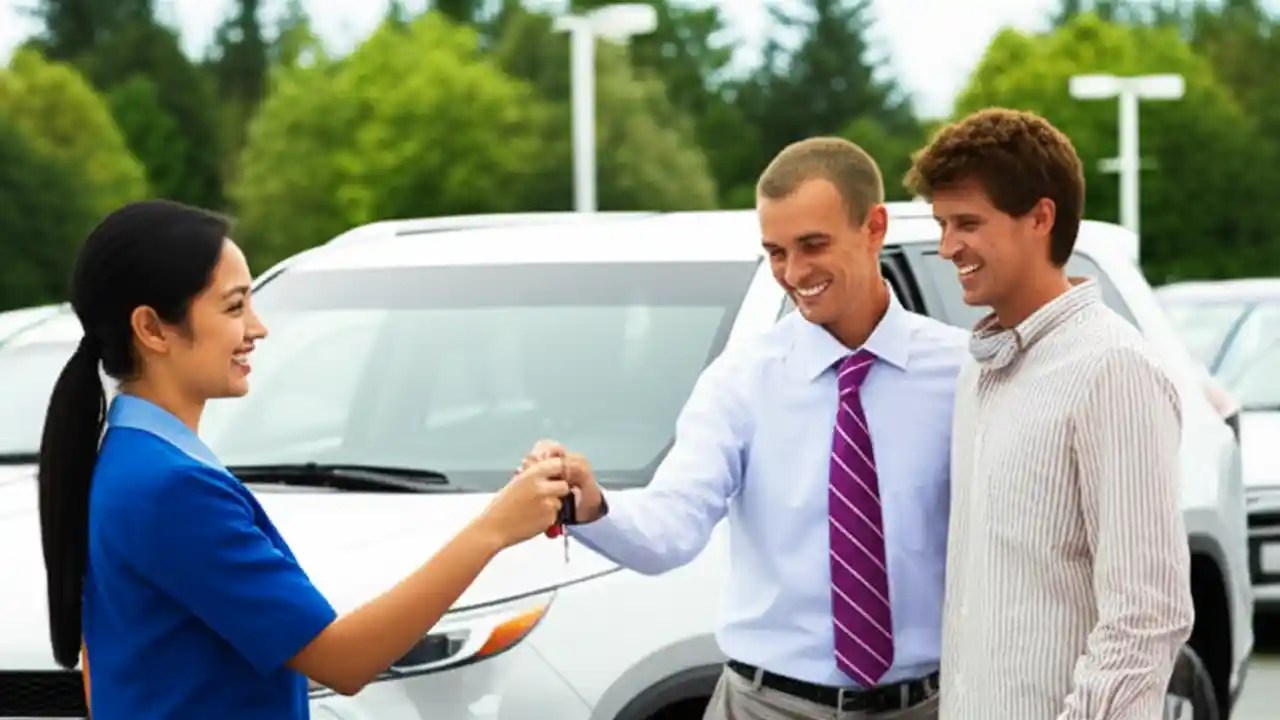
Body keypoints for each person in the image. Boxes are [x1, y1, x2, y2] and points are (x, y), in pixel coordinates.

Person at [37, 199, 571, 719]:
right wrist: (495, 529)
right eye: (233, 306)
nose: (258, 328)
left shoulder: (134, 460)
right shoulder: (169, 487)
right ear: (152, 328)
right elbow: (343, 660)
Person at [524, 137, 968, 719]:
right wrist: (593, 504)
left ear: (874, 226)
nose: (794, 272)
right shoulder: (740, 380)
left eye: (813, 245)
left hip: (931, 707)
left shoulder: (965, 372)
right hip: (766, 707)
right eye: (776, 252)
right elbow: (672, 526)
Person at [902, 107, 1194, 719]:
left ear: (1040, 217)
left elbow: (1148, 613)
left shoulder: (1112, 370)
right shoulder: (978, 370)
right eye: (942, 224)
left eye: (968, 223)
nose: (947, 246)